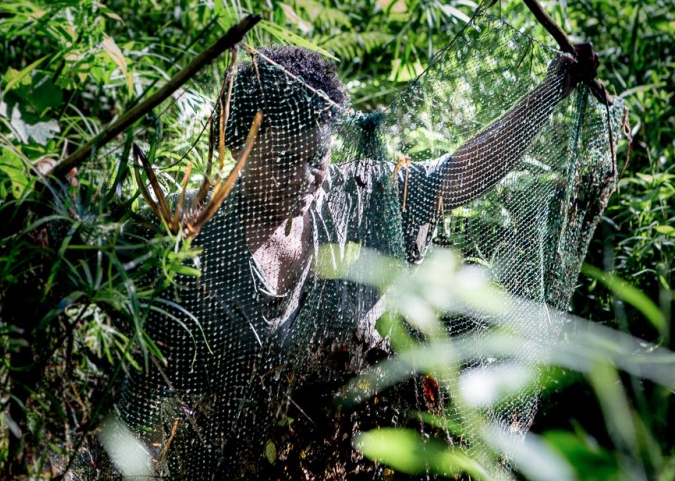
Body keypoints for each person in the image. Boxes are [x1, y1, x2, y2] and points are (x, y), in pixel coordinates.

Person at [115, 46, 584, 479]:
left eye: (316, 158)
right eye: (282, 160)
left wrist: (549, 93)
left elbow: (457, 174)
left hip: (342, 455)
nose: (304, 179)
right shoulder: (191, 240)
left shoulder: (354, 201)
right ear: (239, 150)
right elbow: (139, 385)